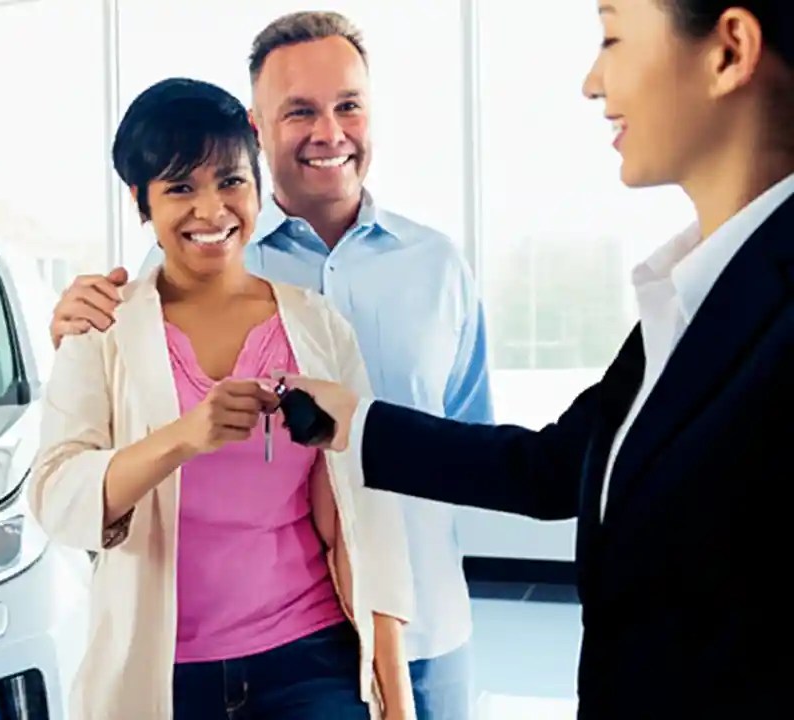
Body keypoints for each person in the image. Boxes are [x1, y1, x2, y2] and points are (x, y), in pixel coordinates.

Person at [272, 1, 794, 717]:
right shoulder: (687, 298)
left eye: (612, 36)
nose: (590, 81)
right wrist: (355, 426)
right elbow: (554, 470)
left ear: (729, 50)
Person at [49, 12, 489, 718]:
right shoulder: (181, 272)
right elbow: (80, 463)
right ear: (260, 127)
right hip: (199, 658)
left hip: (422, 619)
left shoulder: (435, 265)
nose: (329, 131)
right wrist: (73, 339)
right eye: (300, 111)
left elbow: (469, 444)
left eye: (348, 105)